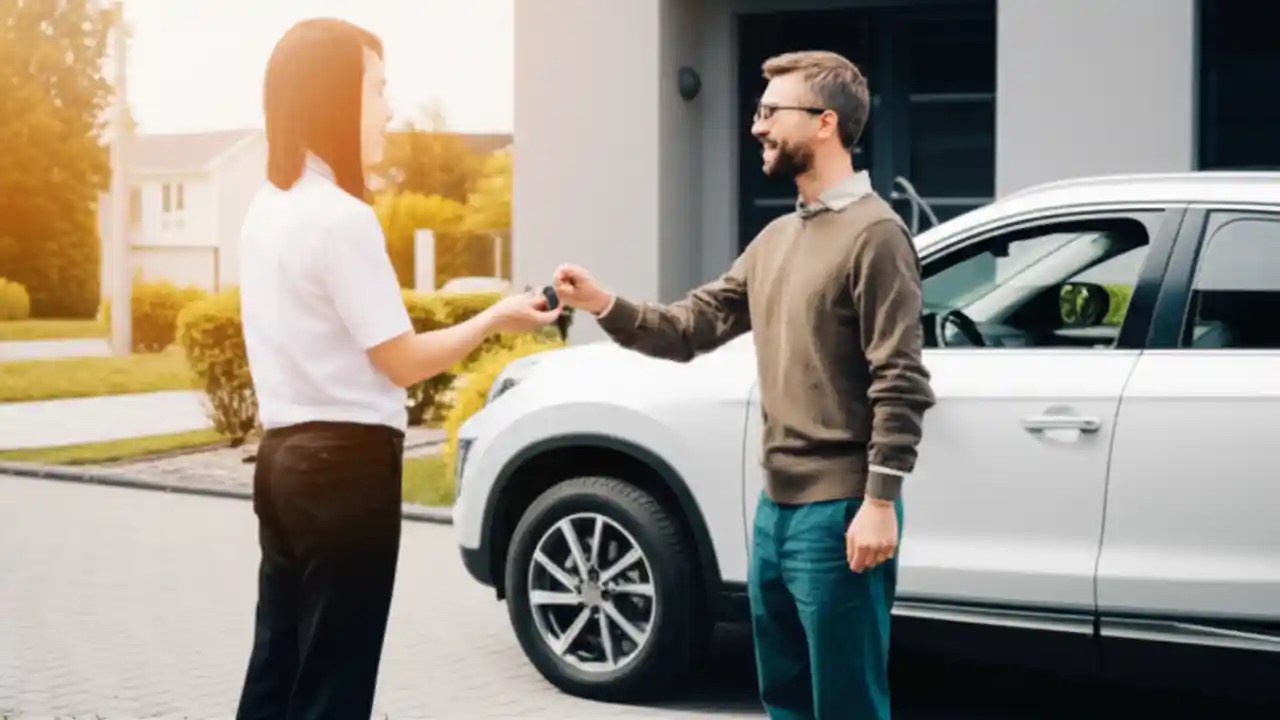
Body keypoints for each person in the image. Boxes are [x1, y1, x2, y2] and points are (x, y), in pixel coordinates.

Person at [554, 50, 935, 719]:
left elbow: (899, 377)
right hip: (777, 509)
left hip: (841, 511)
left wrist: (880, 500)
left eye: (769, 112)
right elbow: (685, 329)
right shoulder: (776, 238)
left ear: (824, 123)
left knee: (846, 702)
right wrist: (601, 302)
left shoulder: (875, 234)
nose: (756, 126)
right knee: (783, 696)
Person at [234, 18, 560, 719]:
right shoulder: (341, 218)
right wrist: (494, 318)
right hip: (344, 472)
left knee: (278, 663)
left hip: (283, 462)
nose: (388, 106)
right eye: (377, 88)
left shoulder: (268, 208)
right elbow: (402, 361)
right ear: (332, 96)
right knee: (335, 680)